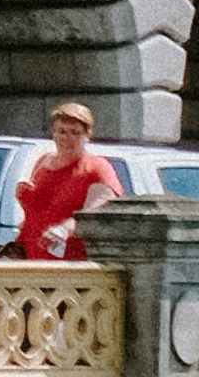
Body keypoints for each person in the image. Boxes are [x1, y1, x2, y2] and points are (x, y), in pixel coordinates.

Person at [9, 98, 122, 261]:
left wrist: (64, 229)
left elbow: (95, 215)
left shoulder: (97, 168)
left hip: (71, 266)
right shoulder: (43, 162)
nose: (66, 138)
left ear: (87, 135)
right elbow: (38, 214)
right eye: (61, 131)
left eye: (74, 132)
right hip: (33, 261)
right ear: (53, 133)